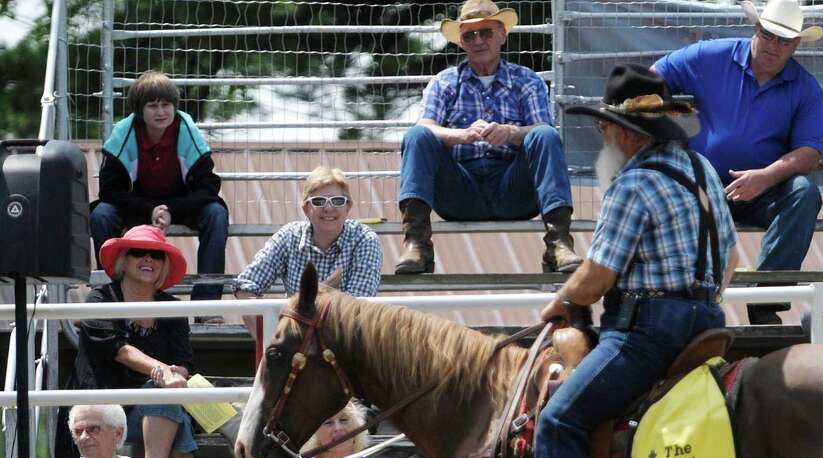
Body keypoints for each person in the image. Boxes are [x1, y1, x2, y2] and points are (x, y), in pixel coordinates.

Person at [479, 64, 737, 458]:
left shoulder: (634, 183)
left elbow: (597, 276)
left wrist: (559, 300)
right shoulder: (704, 171)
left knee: (561, 420)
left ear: (622, 133)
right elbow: (733, 261)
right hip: (708, 324)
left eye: (604, 130)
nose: (604, 140)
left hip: (648, 332)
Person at [654, 0, 823, 324]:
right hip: (699, 187)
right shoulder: (711, 56)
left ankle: (766, 300)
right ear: (756, 29)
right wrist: (662, 127)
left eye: (784, 40)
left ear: (796, 45)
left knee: (804, 193)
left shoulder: (805, 87)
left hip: (762, 193)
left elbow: (809, 152)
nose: (774, 45)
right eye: (769, 34)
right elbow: (652, 78)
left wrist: (765, 177)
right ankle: (684, 304)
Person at [395, 0, 582, 275]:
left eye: (485, 32)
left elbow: (543, 130)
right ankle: (416, 244)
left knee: (544, 135)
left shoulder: (528, 81)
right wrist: (459, 135)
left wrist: (511, 132)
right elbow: (426, 126)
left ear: (502, 35)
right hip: (460, 191)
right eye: (469, 35)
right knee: (417, 135)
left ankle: (559, 243)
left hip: (514, 190)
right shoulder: (444, 81)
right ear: (461, 42)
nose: (478, 40)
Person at [58, 225, 196, 458]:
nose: (148, 259)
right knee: (174, 413)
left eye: (156, 255)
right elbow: (120, 350)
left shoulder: (172, 307)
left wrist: (177, 372)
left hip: (152, 410)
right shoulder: (100, 298)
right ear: (124, 260)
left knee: (166, 401)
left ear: (163, 265)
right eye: (138, 252)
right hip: (99, 409)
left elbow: (183, 359)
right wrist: (162, 370)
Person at [90, 70, 228, 286]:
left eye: (166, 105)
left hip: (180, 206)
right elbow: (109, 191)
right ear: (139, 110)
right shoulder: (122, 136)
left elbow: (208, 187)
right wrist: (148, 211)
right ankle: (111, 296)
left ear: (175, 106)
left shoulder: (189, 133)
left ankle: (208, 301)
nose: (161, 112)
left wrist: (172, 211)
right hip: (136, 207)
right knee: (101, 214)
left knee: (216, 213)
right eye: (153, 106)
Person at [233, 165, 382, 301]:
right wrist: (268, 330)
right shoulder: (289, 236)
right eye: (319, 201)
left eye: (337, 201)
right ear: (306, 208)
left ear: (348, 207)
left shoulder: (365, 239)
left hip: (343, 330)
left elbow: (355, 307)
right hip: (297, 329)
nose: (328, 208)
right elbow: (246, 285)